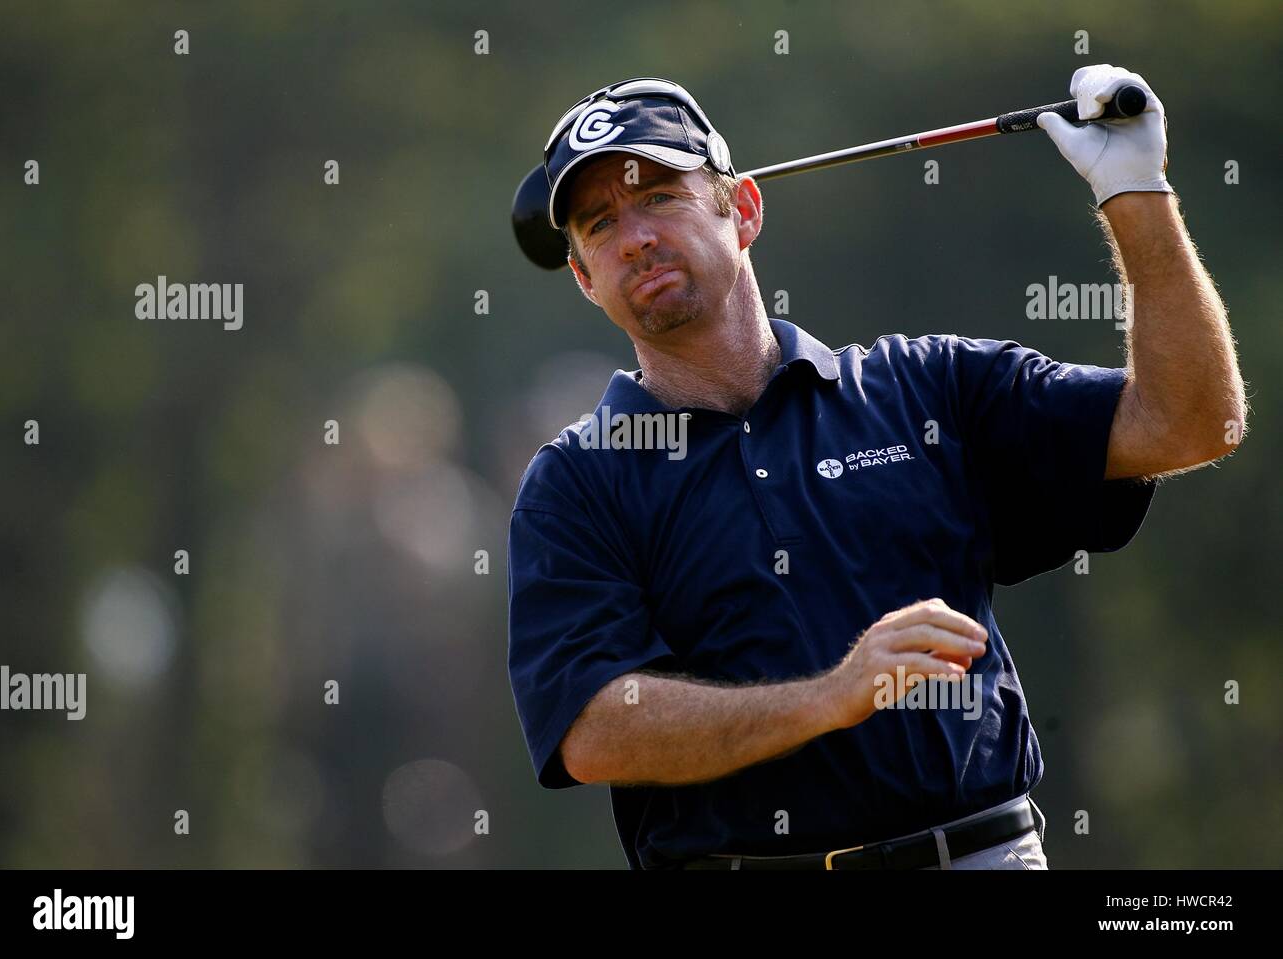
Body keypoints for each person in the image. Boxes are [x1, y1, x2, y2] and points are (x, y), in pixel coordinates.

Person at [506, 68, 1245, 870]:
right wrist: (831, 696)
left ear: (743, 208)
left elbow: (1191, 423)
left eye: (659, 197)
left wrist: (1136, 194)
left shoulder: (927, 388)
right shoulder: (575, 484)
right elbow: (593, 729)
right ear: (584, 275)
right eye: (599, 223)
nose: (635, 236)